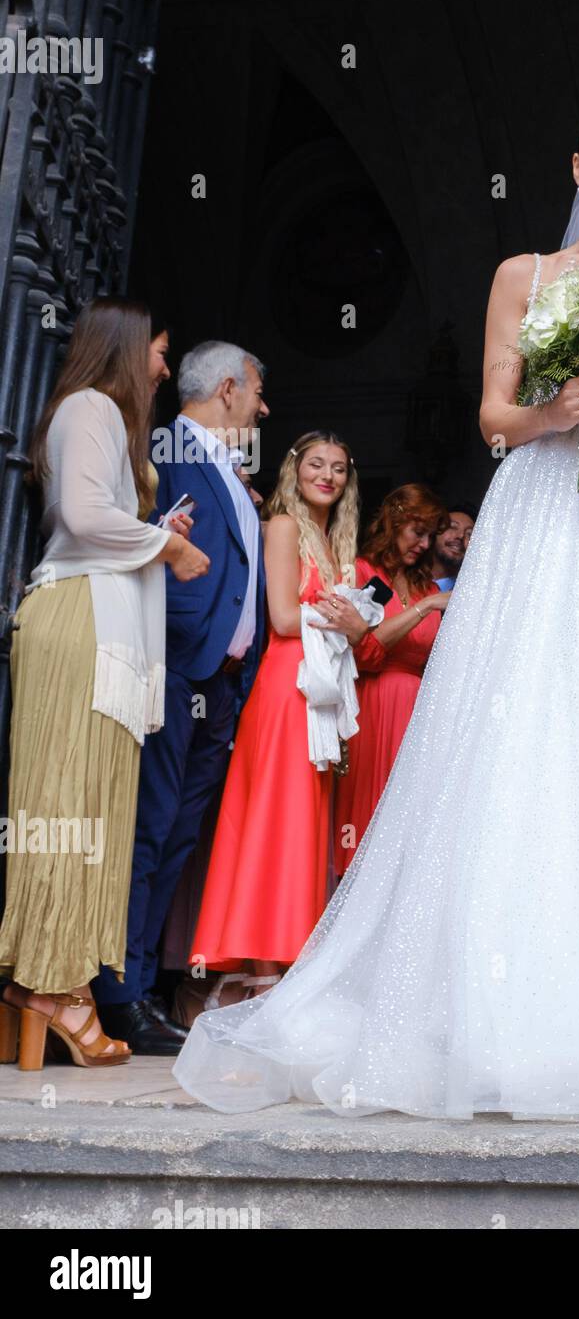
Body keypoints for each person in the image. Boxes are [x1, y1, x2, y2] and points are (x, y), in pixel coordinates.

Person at [173, 101, 579, 1121]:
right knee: (522, 729)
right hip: (540, 508)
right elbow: (491, 415)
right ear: (576, 163)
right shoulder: (522, 275)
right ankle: (488, 1010)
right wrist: (555, 412)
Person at [0, 299, 209, 1070]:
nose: (162, 365)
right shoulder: (87, 404)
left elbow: (99, 515)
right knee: (65, 807)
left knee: (89, 811)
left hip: (105, 629)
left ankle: (51, 986)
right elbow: (86, 516)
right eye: (158, 350)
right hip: (81, 622)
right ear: (125, 349)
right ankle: (48, 985)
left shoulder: (102, 419)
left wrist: (157, 535)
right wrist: (166, 547)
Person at [90, 341, 269, 1055]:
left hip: (219, 686)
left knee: (179, 837)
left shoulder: (232, 469)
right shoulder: (161, 450)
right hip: (173, 666)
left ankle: (143, 990)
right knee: (149, 828)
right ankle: (118, 994)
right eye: (257, 392)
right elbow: (137, 544)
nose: (263, 406)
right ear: (227, 388)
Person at [186, 431, 371, 1003]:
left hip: (319, 692)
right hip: (286, 684)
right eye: (317, 464)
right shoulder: (286, 526)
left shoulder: (336, 539)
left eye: (339, 468)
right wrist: (342, 617)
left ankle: (290, 956)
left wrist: (352, 621)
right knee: (274, 820)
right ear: (296, 470)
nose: (328, 476)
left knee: (306, 821)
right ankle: (262, 963)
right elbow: (285, 617)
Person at [335, 484, 449, 869]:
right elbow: (364, 651)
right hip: (373, 704)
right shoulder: (365, 573)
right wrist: (428, 607)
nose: (425, 543)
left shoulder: (425, 585)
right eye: (419, 531)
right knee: (366, 811)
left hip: (418, 712)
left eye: (431, 535)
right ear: (396, 521)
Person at [430, 506, 475, 591]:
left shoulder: (470, 592)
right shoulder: (403, 578)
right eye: (452, 527)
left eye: (469, 534)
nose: (461, 535)